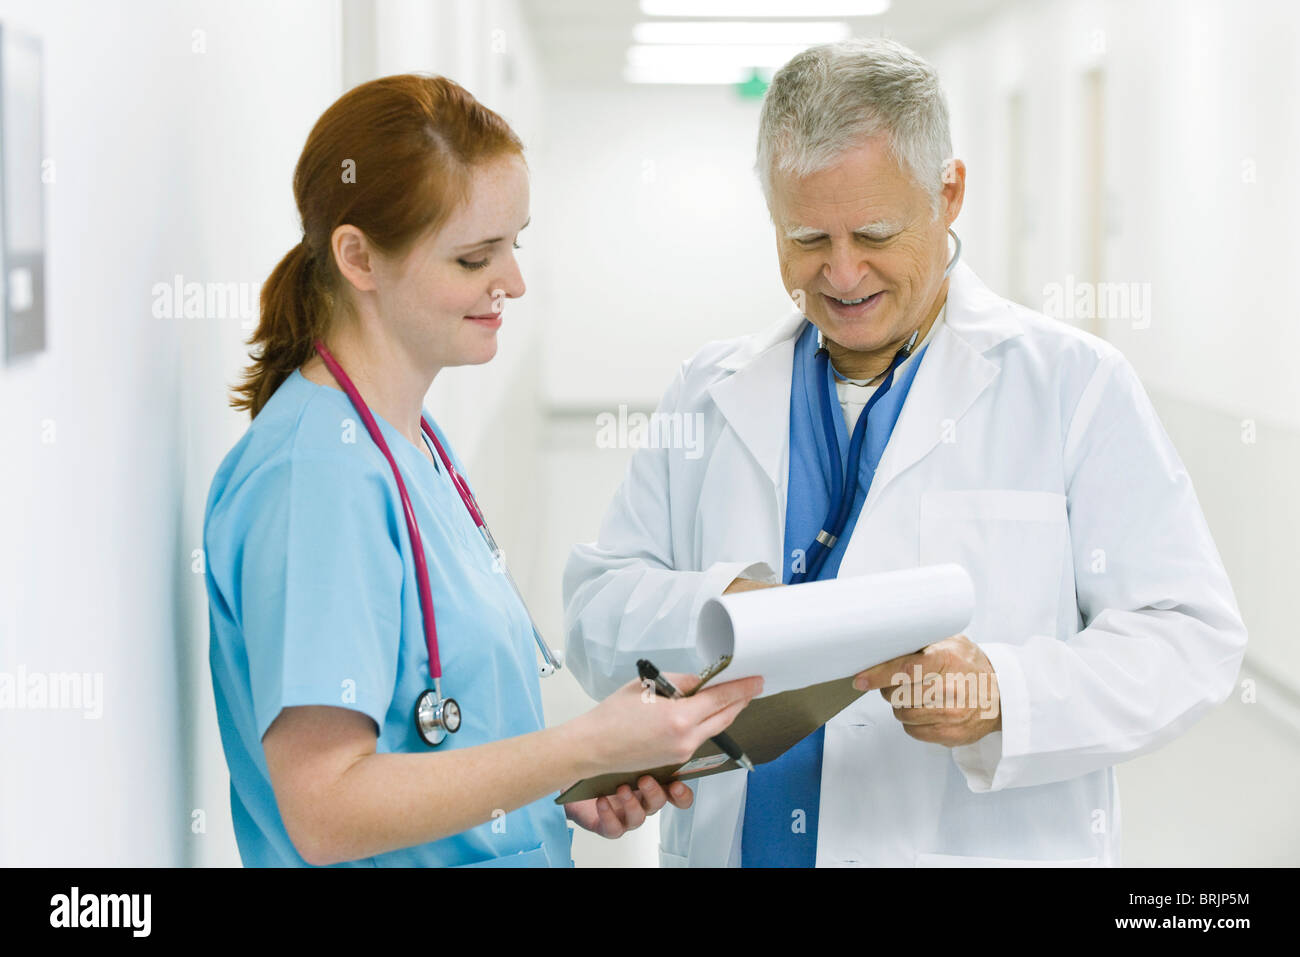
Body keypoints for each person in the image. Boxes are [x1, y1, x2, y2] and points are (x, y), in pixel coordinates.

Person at [562, 38, 1247, 867]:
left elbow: (1191, 635)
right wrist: (720, 608)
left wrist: (1005, 691)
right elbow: (597, 610)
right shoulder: (709, 392)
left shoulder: (1073, 386)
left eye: (875, 232)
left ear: (948, 193)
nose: (842, 273)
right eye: (807, 236)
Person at [203, 74, 761, 868]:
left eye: (514, 244)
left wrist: (570, 780)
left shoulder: (408, 436)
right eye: (474, 257)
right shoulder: (316, 480)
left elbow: (438, 742)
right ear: (358, 256)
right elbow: (325, 808)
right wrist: (575, 746)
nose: (514, 282)